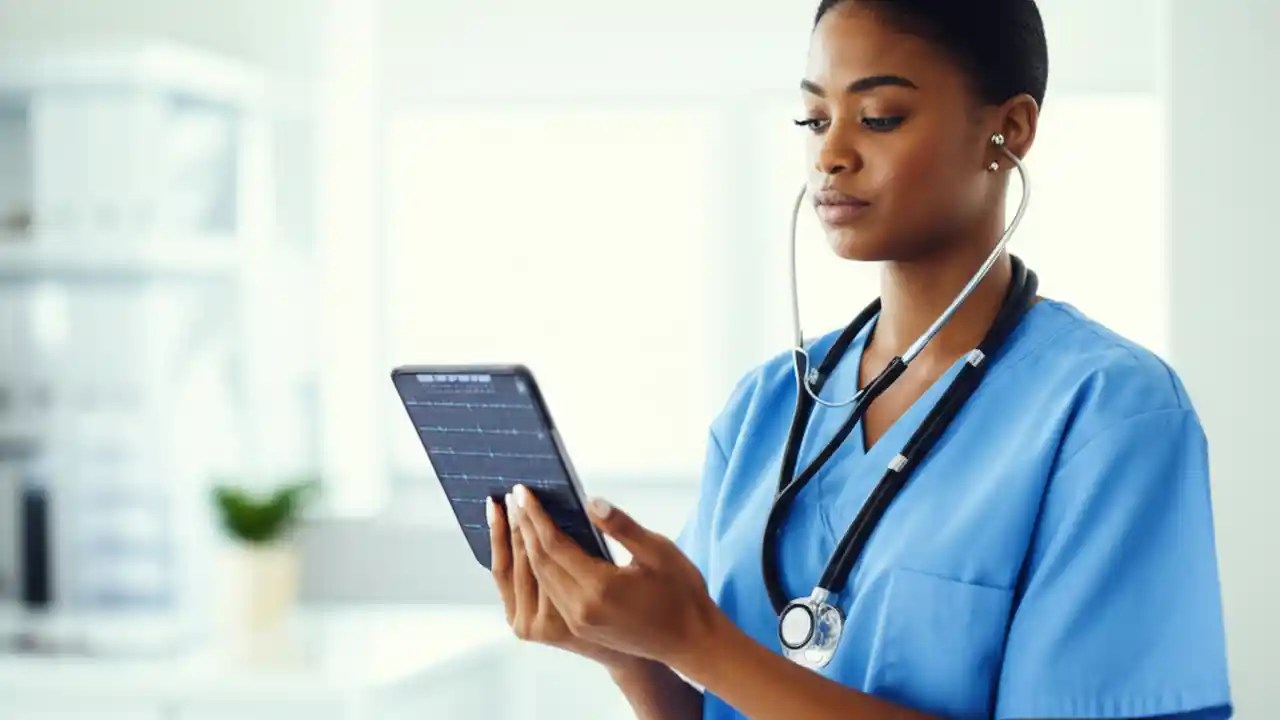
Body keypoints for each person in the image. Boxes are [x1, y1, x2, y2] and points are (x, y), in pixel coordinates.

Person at [485, 1, 1233, 717]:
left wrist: (696, 640)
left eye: (879, 118)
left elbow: (713, 653)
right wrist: (629, 654)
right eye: (814, 119)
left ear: (1008, 130)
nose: (832, 154)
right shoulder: (766, 407)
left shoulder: (1110, 414)